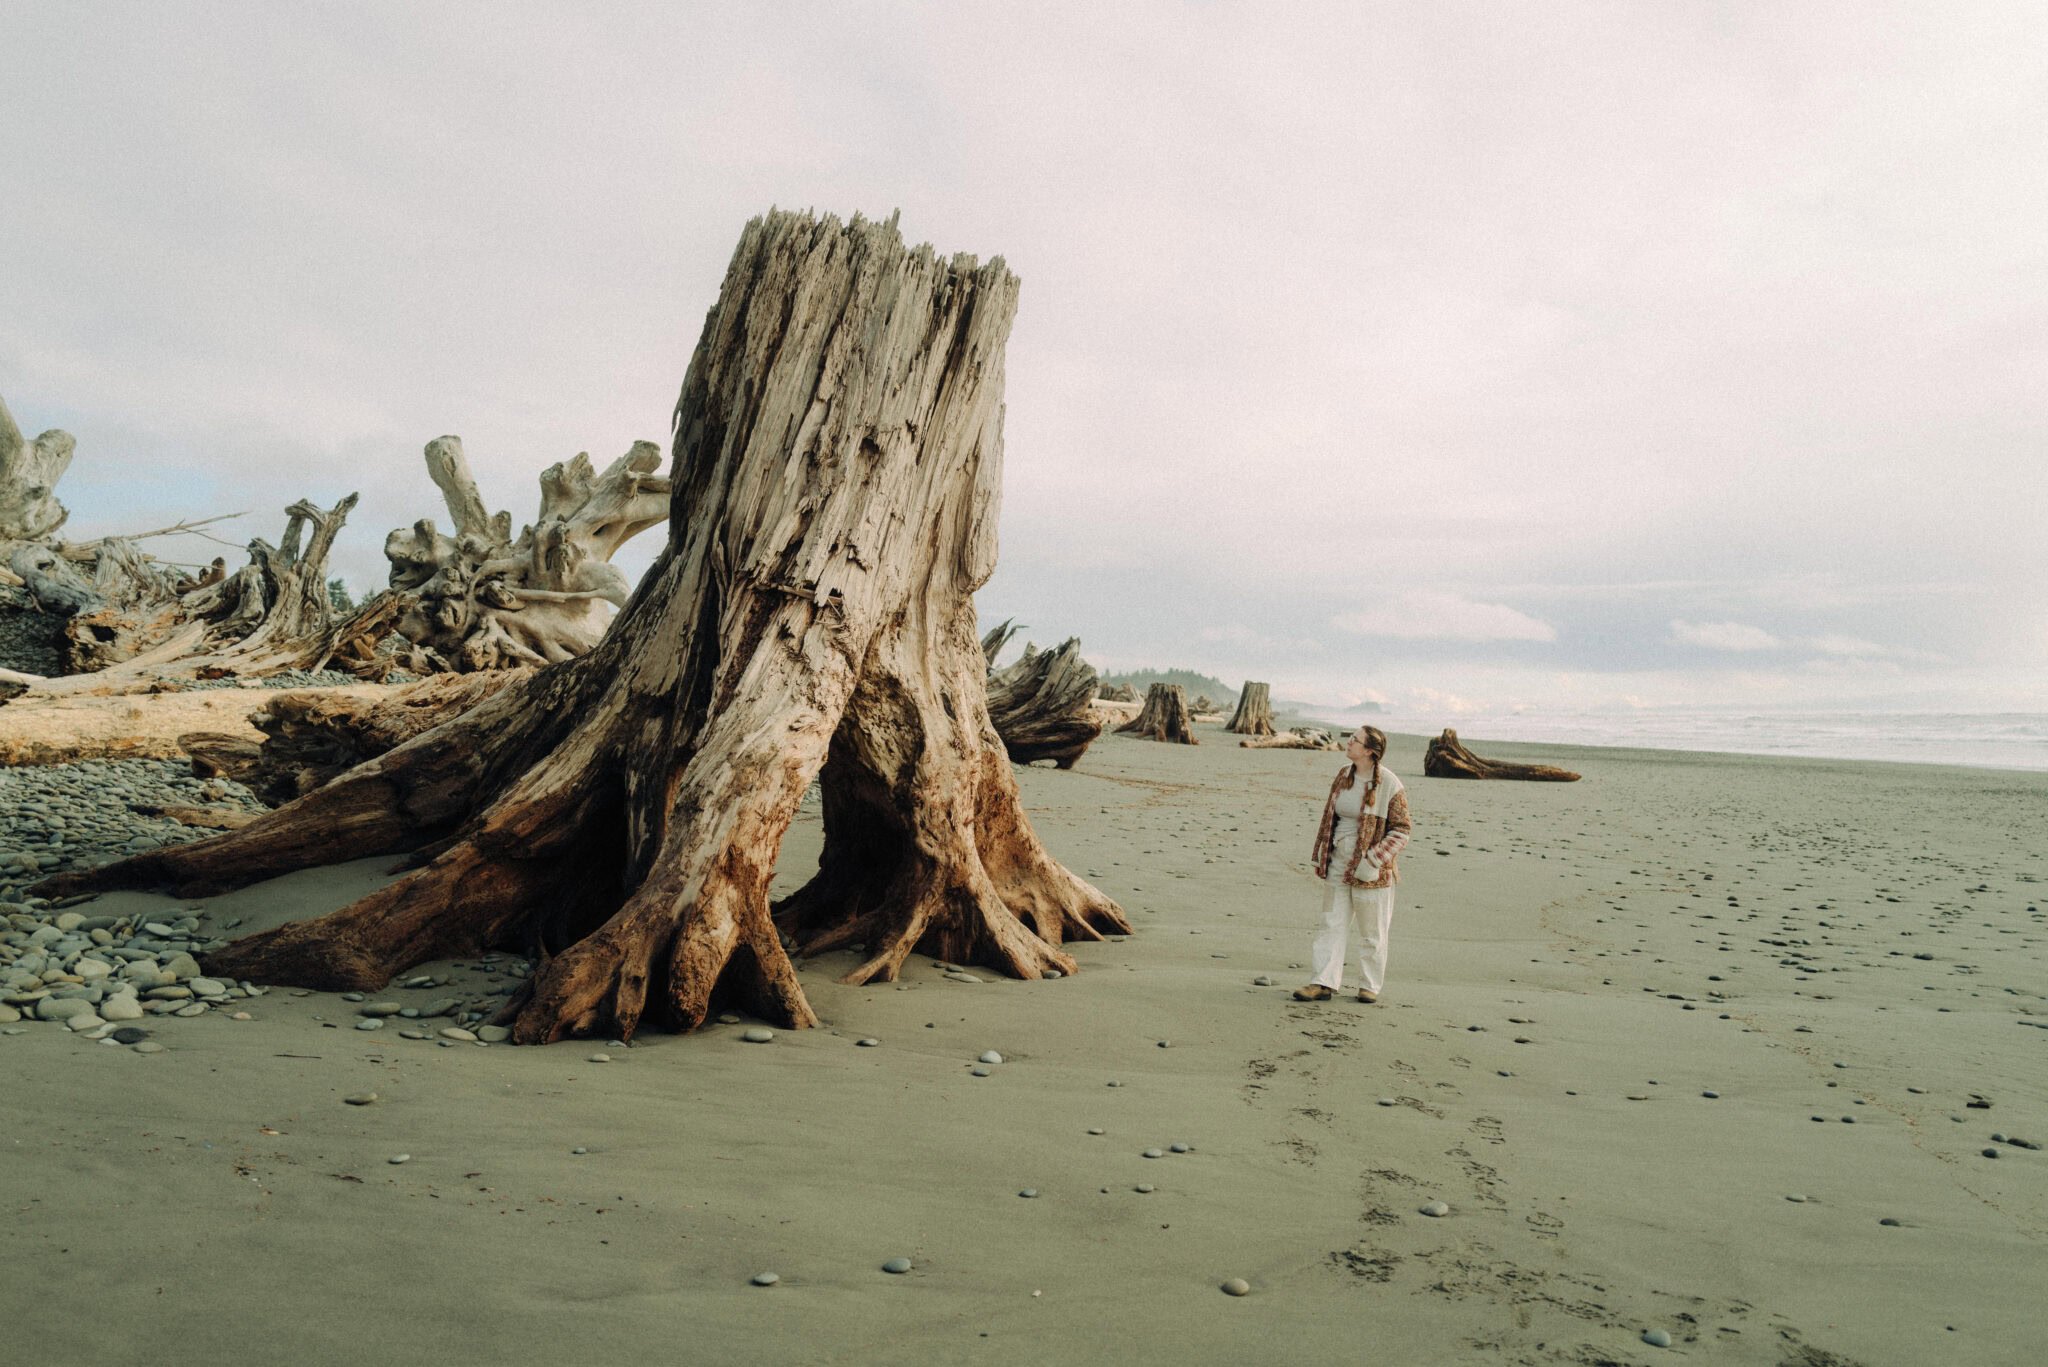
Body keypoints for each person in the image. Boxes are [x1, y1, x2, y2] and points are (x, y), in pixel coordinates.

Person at [1294, 725, 1412, 1003]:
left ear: (1370, 751)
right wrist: (1323, 854)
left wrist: (1372, 861)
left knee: (1372, 931)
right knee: (1330, 923)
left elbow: (1402, 830)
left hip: (1371, 871)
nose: (1348, 743)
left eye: (1354, 740)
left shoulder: (1390, 784)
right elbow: (1330, 820)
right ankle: (1322, 982)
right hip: (1338, 861)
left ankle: (1369, 985)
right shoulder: (1343, 776)